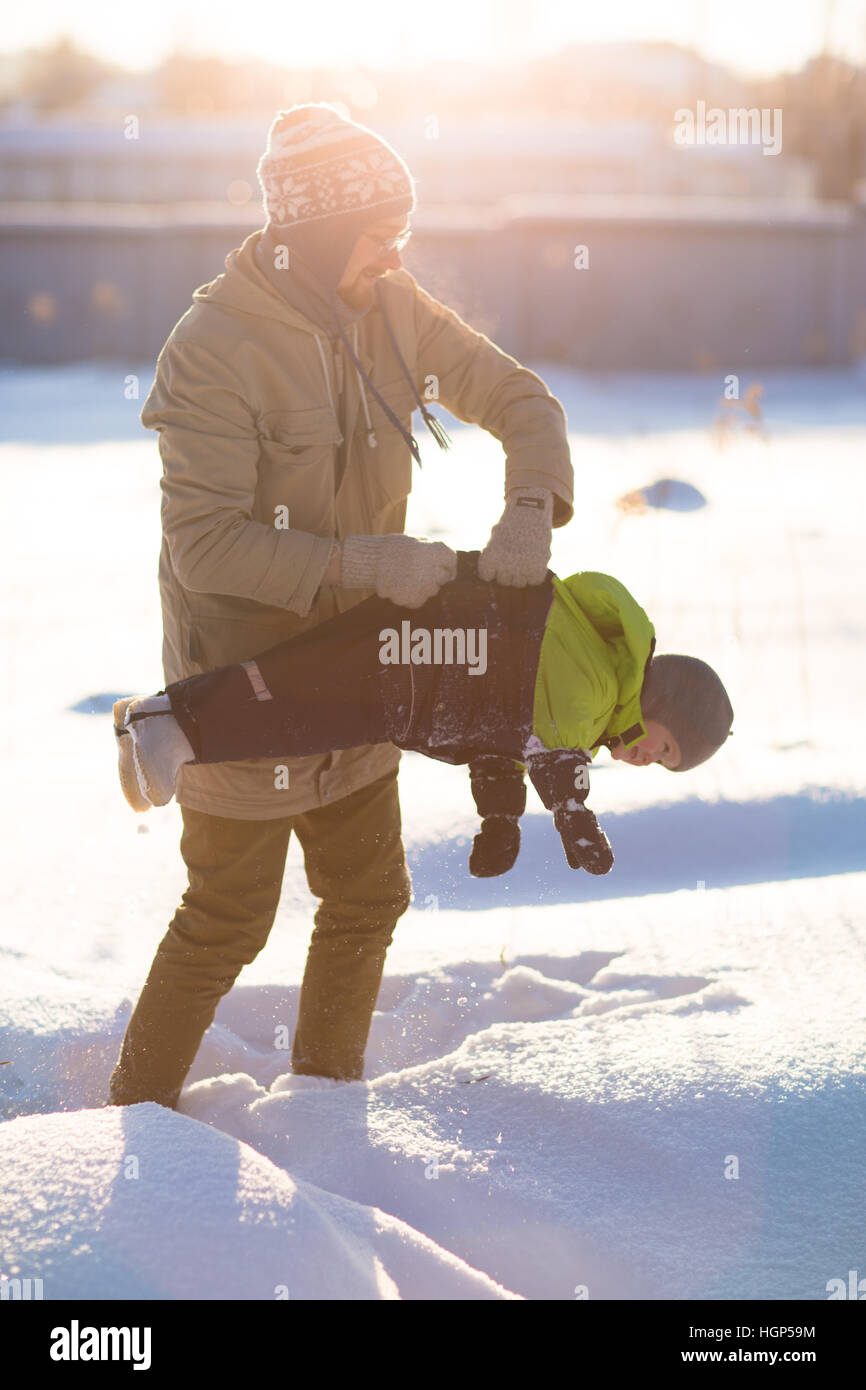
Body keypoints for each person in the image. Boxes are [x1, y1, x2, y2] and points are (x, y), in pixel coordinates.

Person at [107, 104, 574, 1110]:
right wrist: (365, 561)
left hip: (366, 671)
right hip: (245, 684)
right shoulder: (214, 346)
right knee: (226, 918)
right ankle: (131, 1119)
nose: (394, 254)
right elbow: (206, 544)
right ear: (317, 237)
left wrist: (530, 508)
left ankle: (324, 1107)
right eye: (377, 235)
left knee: (367, 898)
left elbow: (522, 401)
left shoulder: (392, 310)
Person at [115, 552, 734, 886]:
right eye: (667, 749)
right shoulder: (598, 681)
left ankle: (172, 727)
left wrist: (500, 821)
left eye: (665, 766)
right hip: (421, 655)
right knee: (296, 694)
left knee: (299, 699)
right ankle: (167, 725)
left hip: (417, 681)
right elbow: (552, 742)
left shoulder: (593, 708)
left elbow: (508, 736)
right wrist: (573, 817)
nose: (651, 761)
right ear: (662, 707)